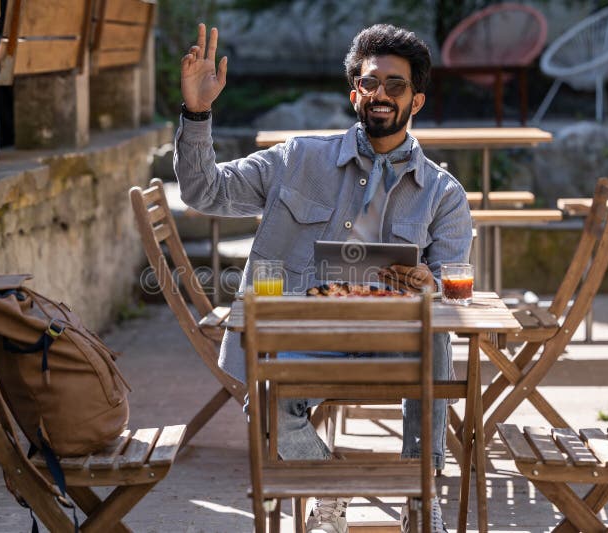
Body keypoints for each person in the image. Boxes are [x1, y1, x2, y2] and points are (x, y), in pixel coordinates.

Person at [175, 22, 472, 533]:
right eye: (369, 83)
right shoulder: (297, 159)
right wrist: (197, 113)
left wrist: (429, 282)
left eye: (395, 86)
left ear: (416, 100)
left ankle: (421, 492)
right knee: (266, 399)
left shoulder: (444, 194)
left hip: (397, 341)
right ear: (355, 90)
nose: (380, 95)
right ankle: (331, 486)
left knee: (436, 340)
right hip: (304, 334)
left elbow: (451, 289)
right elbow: (206, 193)